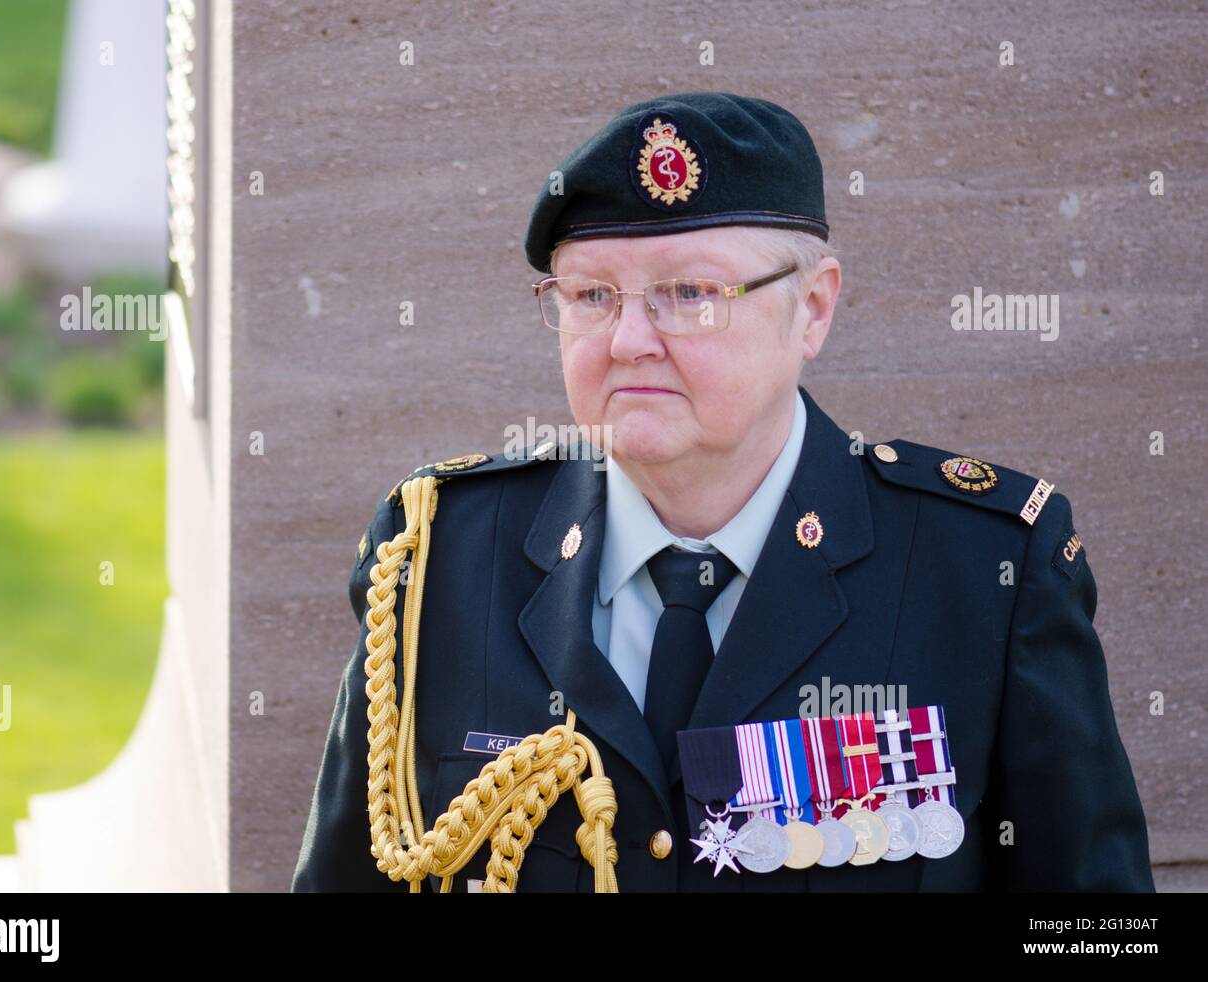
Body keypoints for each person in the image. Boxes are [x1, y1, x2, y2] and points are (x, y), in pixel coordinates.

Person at [291, 92, 1154, 892]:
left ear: (812, 310)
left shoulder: (981, 568)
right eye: (591, 295)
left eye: (689, 294)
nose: (629, 339)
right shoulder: (439, 558)